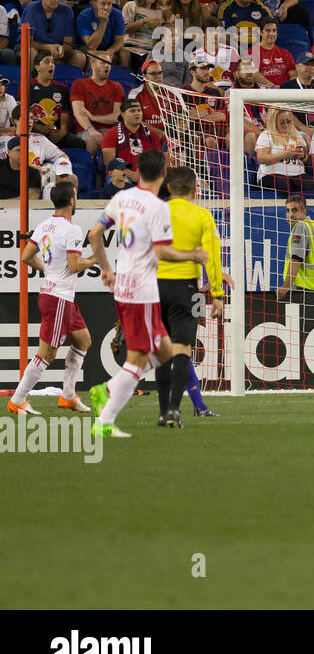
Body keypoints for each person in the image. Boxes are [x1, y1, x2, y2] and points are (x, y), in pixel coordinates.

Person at [86, 148, 205, 437]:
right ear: (164, 174)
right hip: (141, 290)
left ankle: (109, 389)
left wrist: (105, 268)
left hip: (124, 286)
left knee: (165, 353)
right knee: (139, 358)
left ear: (137, 171)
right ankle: (105, 421)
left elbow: (93, 233)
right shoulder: (157, 207)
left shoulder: (122, 198)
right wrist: (194, 255)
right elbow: (162, 251)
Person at [8, 181, 93, 416]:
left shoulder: (45, 225)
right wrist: (96, 259)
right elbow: (75, 266)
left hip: (57, 295)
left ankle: (68, 396)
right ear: (72, 201)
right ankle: (17, 400)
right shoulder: (71, 229)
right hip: (58, 298)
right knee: (47, 354)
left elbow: (26, 256)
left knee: (83, 340)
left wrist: (49, 270)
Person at [153, 165, 222, 422]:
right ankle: (173, 409)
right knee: (182, 350)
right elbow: (211, 257)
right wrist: (217, 293)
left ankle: (162, 411)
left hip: (155, 286)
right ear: (195, 190)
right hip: (186, 289)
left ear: (168, 187)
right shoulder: (202, 216)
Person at [277, 192, 314, 298]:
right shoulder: (313, 227)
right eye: (288, 210)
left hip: (305, 290)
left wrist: (286, 286)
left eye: (295, 210)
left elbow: (296, 259)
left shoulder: (300, 227)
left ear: (304, 212)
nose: (290, 215)